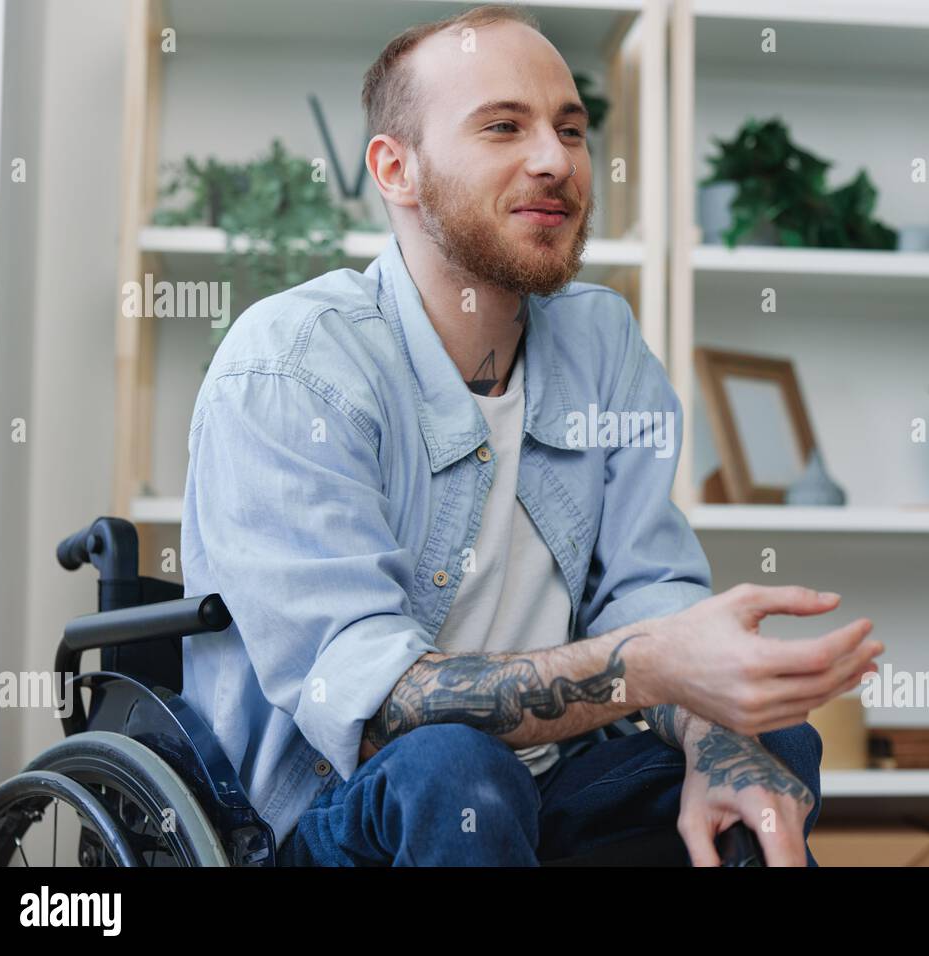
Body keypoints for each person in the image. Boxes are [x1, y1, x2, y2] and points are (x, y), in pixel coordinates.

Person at [180, 3, 881, 867]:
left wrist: (711, 725)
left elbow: (645, 590)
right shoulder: (291, 366)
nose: (555, 160)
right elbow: (373, 706)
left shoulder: (602, 340)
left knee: (771, 741)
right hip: (337, 810)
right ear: (396, 169)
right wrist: (649, 665)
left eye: (571, 128)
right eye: (503, 127)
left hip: (554, 788)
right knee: (453, 769)